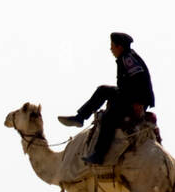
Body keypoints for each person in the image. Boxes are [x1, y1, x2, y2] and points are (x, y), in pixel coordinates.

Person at [58, 32, 156, 164]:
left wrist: (139, 102)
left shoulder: (128, 59)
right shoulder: (126, 57)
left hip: (134, 98)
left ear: (119, 47)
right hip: (127, 94)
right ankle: (80, 117)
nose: (111, 49)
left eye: (112, 46)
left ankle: (99, 154)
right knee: (102, 90)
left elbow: (140, 80)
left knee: (109, 118)